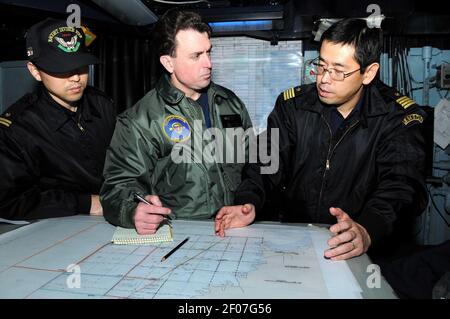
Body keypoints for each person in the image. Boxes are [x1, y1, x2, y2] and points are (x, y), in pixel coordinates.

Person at [215, 18, 428, 261]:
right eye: (321, 65)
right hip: (295, 240)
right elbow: (267, 162)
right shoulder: (293, 107)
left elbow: (401, 185)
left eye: (338, 71)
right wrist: (249, 201)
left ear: (368, 73)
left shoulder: (397, 118)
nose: (324, 79)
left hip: (363, 248)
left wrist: (368, 228)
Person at [100, 9, 252, 235]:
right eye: (196, 56)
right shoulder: (141, 119)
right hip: (181, 233)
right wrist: (132, 210)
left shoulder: (229, 103)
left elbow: (252, 164)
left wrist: (249, 201)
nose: (208, 63)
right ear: (168, 63)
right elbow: (119, 185)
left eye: (209, 52)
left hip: (236, 229)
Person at [0, 18, 116, 220]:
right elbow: (8, 201)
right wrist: (85, 203)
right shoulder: (17, 129)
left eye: (80, 66)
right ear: (35, 71)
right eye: (61, 69)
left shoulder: (102, 105)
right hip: (60, 227)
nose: (75, 78)